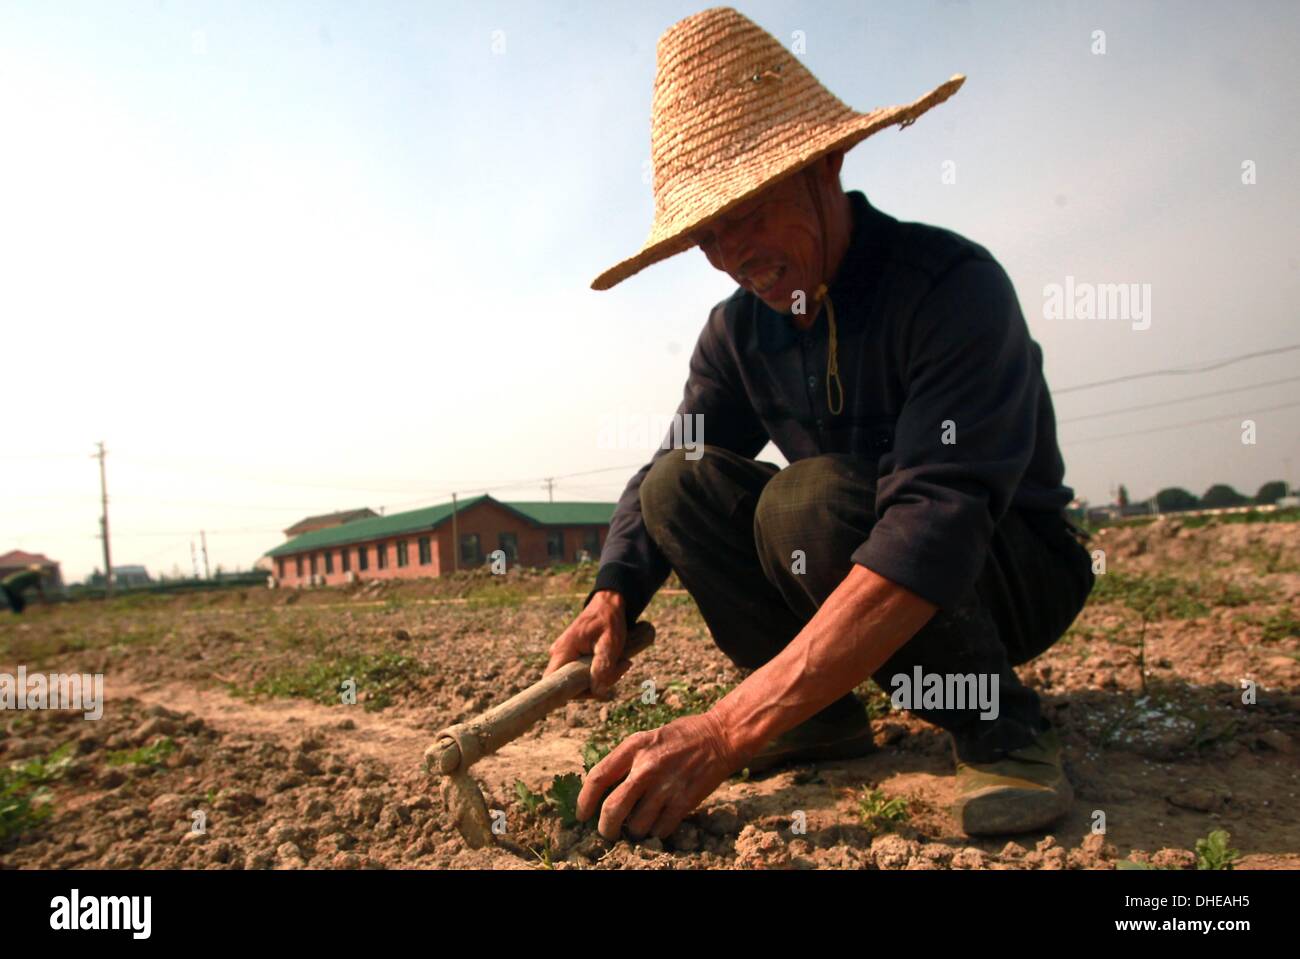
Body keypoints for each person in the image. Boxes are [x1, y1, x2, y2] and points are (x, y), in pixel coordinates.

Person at [545, 7, 1094, 842]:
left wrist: (727, 726)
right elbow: (678, 457)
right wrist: (615, 588)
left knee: (807, 503)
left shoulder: (949, 288)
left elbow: (937, 521)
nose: (733, 253)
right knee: (678, 485)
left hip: (1006, 568)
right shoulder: (739, 332)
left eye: (751, 209)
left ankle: (1000, 724)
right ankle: (818, 716)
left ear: (825, 162)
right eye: (707, 232)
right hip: (852, 545)